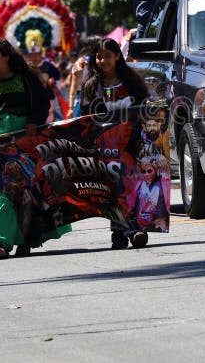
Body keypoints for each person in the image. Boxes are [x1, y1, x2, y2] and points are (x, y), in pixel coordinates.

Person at [0, 39, 71, 259]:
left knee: (26, 193)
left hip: (24, 141)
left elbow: (43, 103)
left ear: (6, 56)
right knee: (1, 193)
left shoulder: (26, 79)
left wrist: (34, 120)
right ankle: (0, 242)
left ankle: (26, 238)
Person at [79, 37, 151, 249]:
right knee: (113, 189)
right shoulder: (91, 86)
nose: (103, 60)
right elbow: (85, 115)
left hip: (131, 142)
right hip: (105, 147)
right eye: (99, 57)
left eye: (107, 56)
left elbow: (144, 104)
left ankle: (134, 229)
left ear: (118, 56)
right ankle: (120, 232)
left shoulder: (130, 80)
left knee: (131, 186)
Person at [67, 36, 101, 118]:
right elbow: (74, 87)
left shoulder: (102, 61)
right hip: (82, 101)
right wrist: (71, 108)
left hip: (100, 100)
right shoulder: (81, 63)